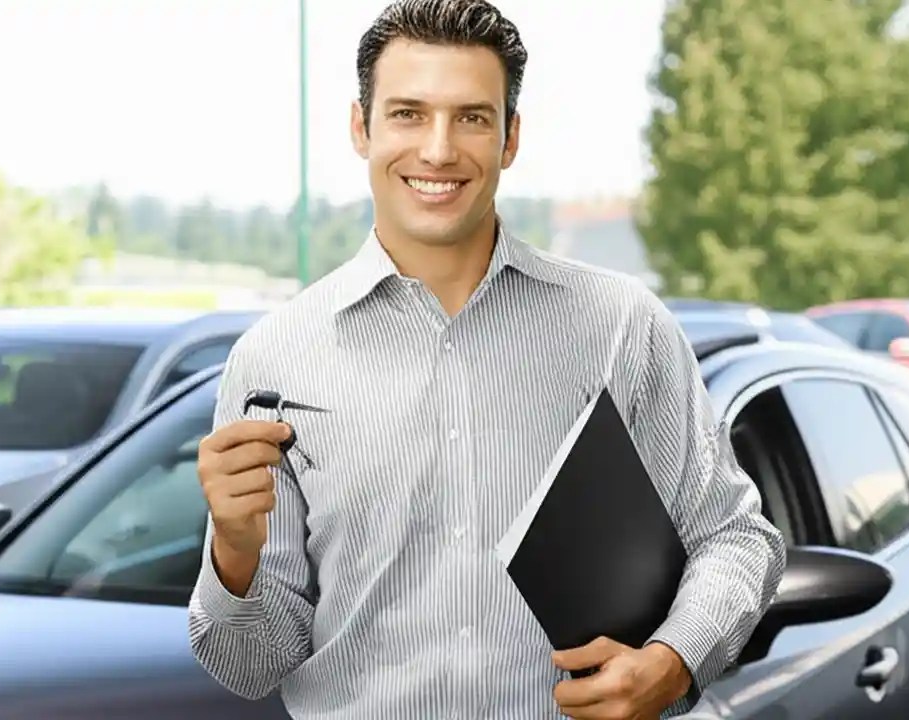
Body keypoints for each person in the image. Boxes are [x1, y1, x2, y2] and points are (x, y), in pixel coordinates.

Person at [188, 0, 787, 717]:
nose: (438, 150)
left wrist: (674, 661)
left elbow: (734, 536)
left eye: (471, 117)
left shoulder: (620, 325)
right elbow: (252, 665)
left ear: (510, 138)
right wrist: (234, 551)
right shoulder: (275, 358)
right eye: (408, 113)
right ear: (361, 127)